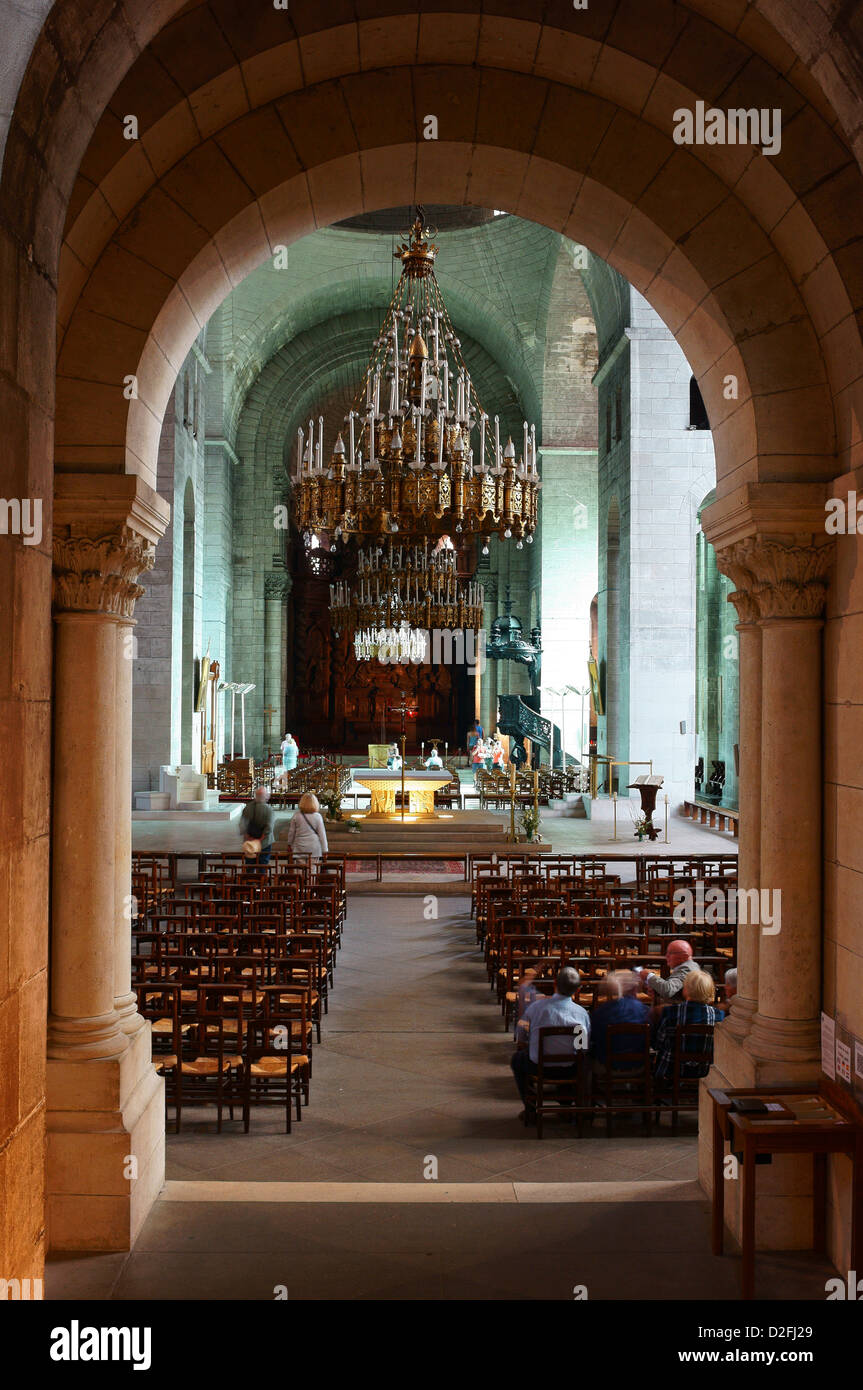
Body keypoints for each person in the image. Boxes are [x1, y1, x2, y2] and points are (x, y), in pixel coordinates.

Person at [510, 966, 590, 1120]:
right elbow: (583, 1047)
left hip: (538, 1067)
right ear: (578, 990)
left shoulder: (536, 1008)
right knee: (579, 1060)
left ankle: (531, 1108)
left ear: (555, 984)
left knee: (517, 1060)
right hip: (569, 1069)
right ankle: (566, 1106)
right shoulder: (582, 1013)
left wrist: (525, 1043)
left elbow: (521, 1032)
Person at [652, 969, 724, 1081]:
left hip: (671, 1070)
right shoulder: (719, 1016)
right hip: (705, 1071)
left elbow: (658, 1043)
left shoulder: (670, 1012)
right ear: (710, 991)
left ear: (685, 990)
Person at [590, 970, 650, 1075]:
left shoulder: (601, 1011)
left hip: (607, 1067)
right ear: (635, 989)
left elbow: (594, 1038)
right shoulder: (645, 1011)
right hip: (638, 1066)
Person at [284, 791, 329, 861]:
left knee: (300, 869)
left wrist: (289, 844)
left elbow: (291, 832)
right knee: (313, 869)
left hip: (300, 846)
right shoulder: (318, 816)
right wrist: (325, 849)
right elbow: (322, 834)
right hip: (314, 846)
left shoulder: (296, 815)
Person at [240, 785, 276, 871]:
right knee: (262, 865)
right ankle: (261, 882)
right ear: (266, 796)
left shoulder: (247, 807)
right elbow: (269, 827)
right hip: (265, 842)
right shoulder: (269, 810)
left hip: (250, 842)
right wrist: (259, 840)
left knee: (249, 865)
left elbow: (242, 825)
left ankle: (249, 882)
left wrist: (249, 837)